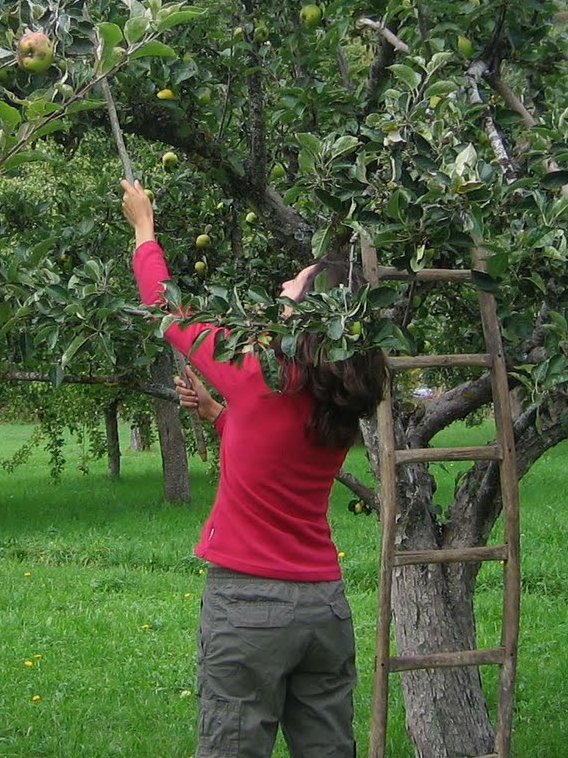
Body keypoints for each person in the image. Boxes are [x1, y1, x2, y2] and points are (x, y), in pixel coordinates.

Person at [119, 179, 387, 758]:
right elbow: (279, 455)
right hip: (323, 607)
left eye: (295, 283)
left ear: (310, 310)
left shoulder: (257, 369)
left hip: (250, 607)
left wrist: (144, 229)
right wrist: (221, 415)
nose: (283, 286)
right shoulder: (337, 395)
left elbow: (166, 309)